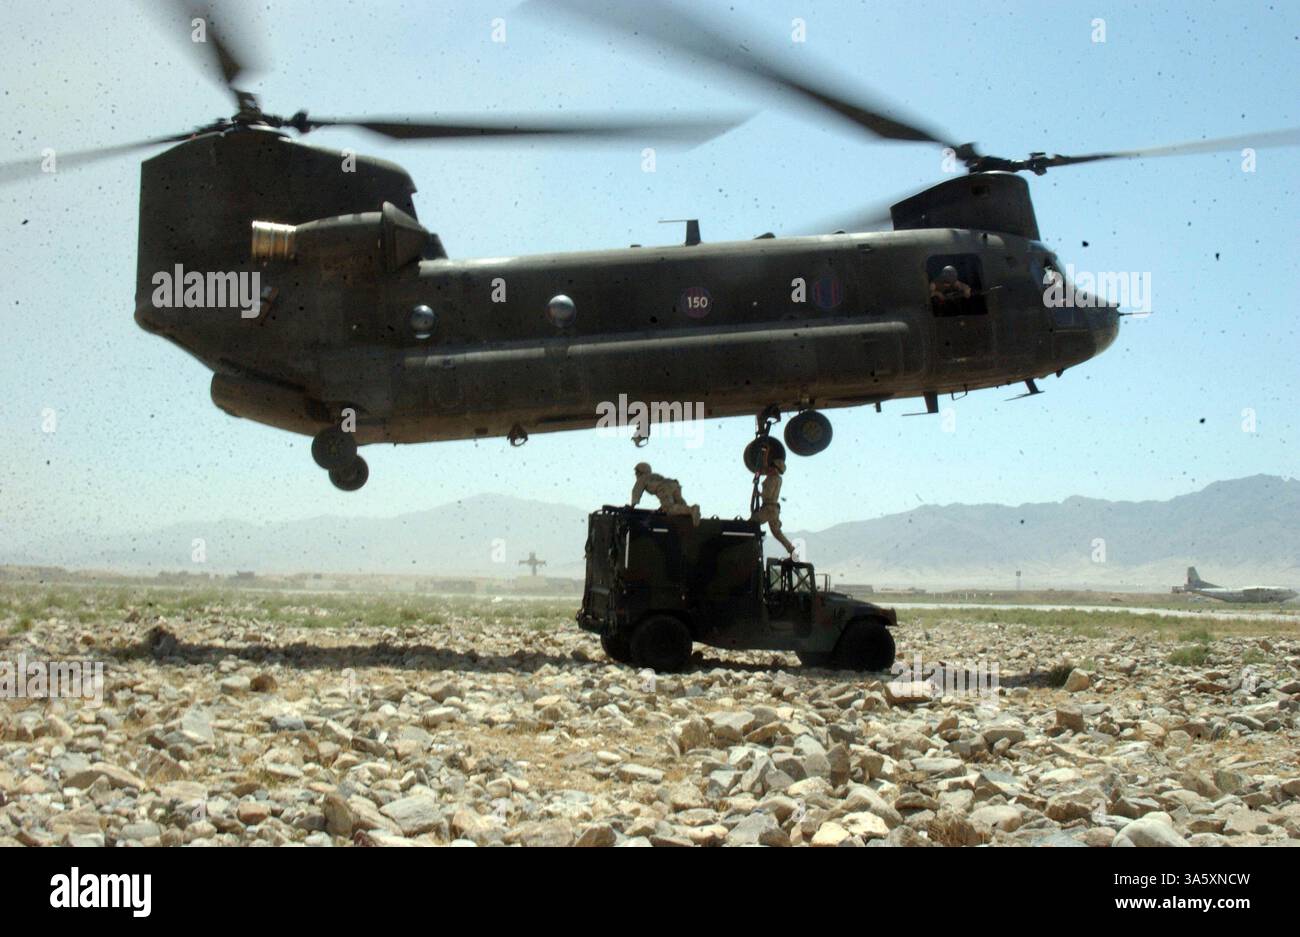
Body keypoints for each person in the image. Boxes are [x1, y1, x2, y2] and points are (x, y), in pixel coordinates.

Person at [750, 457, 796, 556]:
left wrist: (759, 494)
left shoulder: (772, 478)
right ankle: (791, 550)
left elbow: (768, 494)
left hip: (768, 509)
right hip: (773, 509)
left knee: (751, 524)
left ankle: (753, 550)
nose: (769, 468)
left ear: (775, 469)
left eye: (772, 467)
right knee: (777, 533)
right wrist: (766, 453)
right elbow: (764, 467)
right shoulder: (777, 478)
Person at [630, 462, 700, 525]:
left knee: (669, 509)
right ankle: (689, 515)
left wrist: (632, 506)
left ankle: (691, 509)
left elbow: (636, 491)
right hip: (674, 484)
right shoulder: (655, 475)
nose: (636, 474)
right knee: (679, 505)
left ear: (641, 472)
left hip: (663, 488)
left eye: (637, 472)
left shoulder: (642, 478)